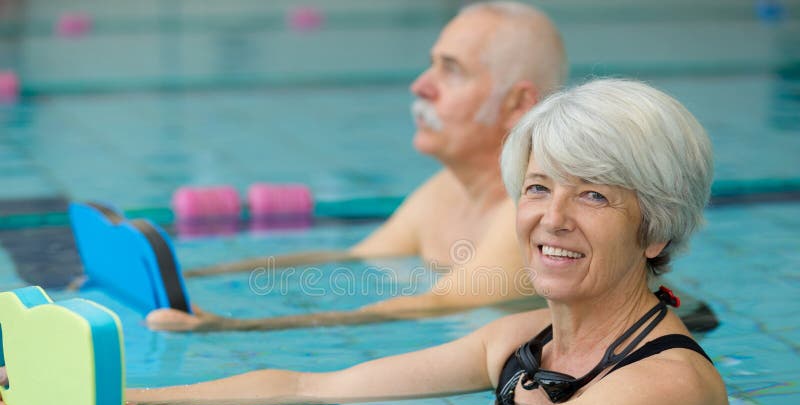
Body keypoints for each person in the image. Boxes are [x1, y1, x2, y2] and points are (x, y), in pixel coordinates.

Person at [3, 79, 730, 405]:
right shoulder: (517, 340)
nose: (551, 218)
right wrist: (125, 396)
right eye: (539, 187)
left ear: (656, 232)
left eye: (594, 196)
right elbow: (314, 384)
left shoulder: (663, 386)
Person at [145, 2, 567, 332]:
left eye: (451, 71)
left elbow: (437, 305)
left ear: (517, 105)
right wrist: (186, 273)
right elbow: (353, 260)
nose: (421, 85)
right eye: (432, 63)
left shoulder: (531, 219)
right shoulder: (446, 190)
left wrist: (232, 327)